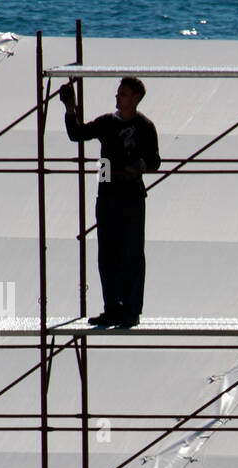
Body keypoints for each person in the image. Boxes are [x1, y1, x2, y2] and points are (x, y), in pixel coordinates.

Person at [59, 76, 160, 328]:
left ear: (136, 98)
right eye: (118, 93)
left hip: (132, 197)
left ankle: (131, 310)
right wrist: (70, 108)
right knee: (108, 255)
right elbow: (77, 134)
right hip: (107, 197)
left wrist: (141, 166)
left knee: (132, 254)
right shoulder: (106, 122)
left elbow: (155, 160)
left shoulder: (145, 126)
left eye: (123, 94)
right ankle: (112, 308)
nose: (118, 97)